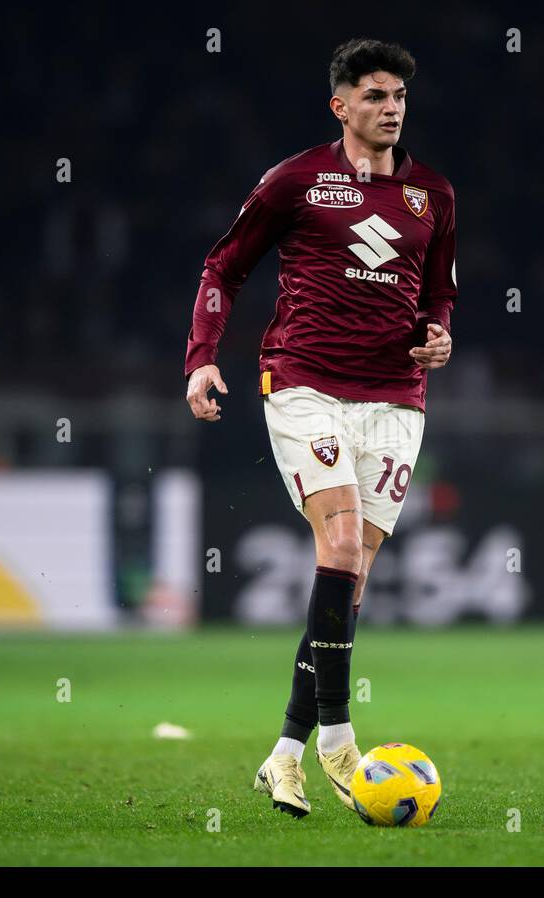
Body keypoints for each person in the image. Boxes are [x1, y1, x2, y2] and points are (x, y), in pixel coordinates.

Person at [184, 38, 456, 817]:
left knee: (352, 580)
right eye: (373, 94)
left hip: (397, 398)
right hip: (306, 384)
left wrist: (440, 335)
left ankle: (283, 754)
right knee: (337, 548)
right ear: (340, 105)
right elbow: (222, 267)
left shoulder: (434, 193)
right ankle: (339, 736)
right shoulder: (295, 181)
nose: (391, 107)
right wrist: (202, 359)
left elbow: (440, 296)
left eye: (398, 94)